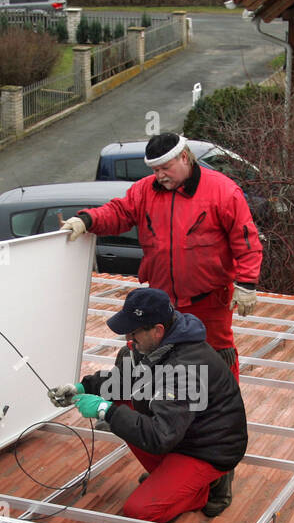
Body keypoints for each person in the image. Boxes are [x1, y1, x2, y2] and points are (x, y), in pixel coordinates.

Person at [62, 132, 261, 382]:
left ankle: (225, 408)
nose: (160, 175)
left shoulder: (223, 192)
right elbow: (119, 213)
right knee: (154, 355)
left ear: (185, 158)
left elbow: (245, 239)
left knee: (216, 354)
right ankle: (158, 407)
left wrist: (246, 283)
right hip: (161, 299)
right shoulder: (144, 191)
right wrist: (87, 220)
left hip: (209, 299)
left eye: (166, 168)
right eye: (155, 170)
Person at [49, 288, 247, 521]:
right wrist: (83, 388)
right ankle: (172, 480)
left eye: (133, 334)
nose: (129, 341)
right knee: (122, 398)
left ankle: (201, 490)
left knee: (140, 510)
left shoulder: (186, 369)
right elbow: (127, 380)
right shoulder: (161, 346)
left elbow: (161, 436)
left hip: (208, 449)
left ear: (158, 330)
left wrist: (105, 410)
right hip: (183, 432)